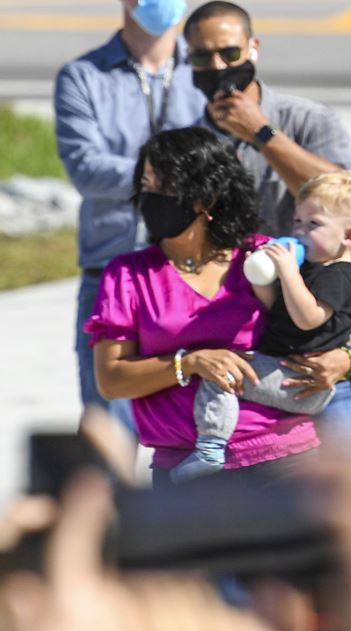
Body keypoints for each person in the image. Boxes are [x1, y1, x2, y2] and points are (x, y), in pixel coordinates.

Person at [86, 127, 320, 484]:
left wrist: (342, 360)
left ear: (207, 197)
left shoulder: (263, 257)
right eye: (146, 186)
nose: (152, 198)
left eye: (165, 187)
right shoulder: (127, 274)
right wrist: (189, 362)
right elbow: (111, 381)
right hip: (185, 470)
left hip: (284, 459)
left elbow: (322, 329)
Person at [183, 0, 351, 458]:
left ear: (253, 48)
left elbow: (347, 202)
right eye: (202, 58)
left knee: (349, 502)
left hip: (320, 353)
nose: (218, 67)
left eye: (228, 52)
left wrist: (261, 133)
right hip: (246, 353)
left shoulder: (308, 120)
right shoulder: (188, 141)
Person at [55, 0, 205, 431]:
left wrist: (149, 178)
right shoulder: (84, 76)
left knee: (200, 440)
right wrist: (178, 179)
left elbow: (226, 168)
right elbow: (88, 170)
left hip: (194, 275)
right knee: (108, 436)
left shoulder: (202, 74)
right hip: (112, 273)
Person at [174, 170, 351, 482]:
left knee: (223, 375)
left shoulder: (338, 276)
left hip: (302, 381)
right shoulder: (312, 267)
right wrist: (263, 276)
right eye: (297, 222)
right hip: (287, 370)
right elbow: (276, 309)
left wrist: (287, 271)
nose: (301, 231)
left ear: (350, 236)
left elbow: (308, 318)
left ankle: (211, 447)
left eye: (314, 224)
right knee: (227, 366)